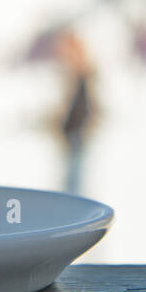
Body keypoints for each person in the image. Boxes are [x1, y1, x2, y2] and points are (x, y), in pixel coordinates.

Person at [52, 30, 96, 195]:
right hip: (72, 136)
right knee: (70, 179)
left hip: (77, 136)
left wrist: (77, 129)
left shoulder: (84, 77)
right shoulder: (73, 78)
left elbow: (84, 110)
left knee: (73, 183)